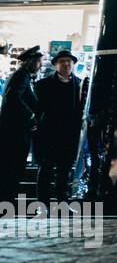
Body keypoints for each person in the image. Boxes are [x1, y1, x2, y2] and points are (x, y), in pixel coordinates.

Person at [35, 50, 86, 203]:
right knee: (46, 171)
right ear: (55, 65)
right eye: (62, 61)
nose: (66, 64)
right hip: (49, 135)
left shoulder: (80, 85)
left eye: (69, 61)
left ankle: (62, 203)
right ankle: (42, 204)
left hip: (70, 136)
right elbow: (38, 111)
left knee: (64, 172)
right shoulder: (43, 85)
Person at [0, 46, 42, 201]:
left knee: (10, 168)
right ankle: (6, 202)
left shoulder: (19, 75)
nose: (40, 65)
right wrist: (30, 117)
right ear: (31, 61)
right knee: (13, 167)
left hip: (12, 131)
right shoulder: (22, 76)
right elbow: (13, 98)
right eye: (38, 61)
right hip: (15, 133)